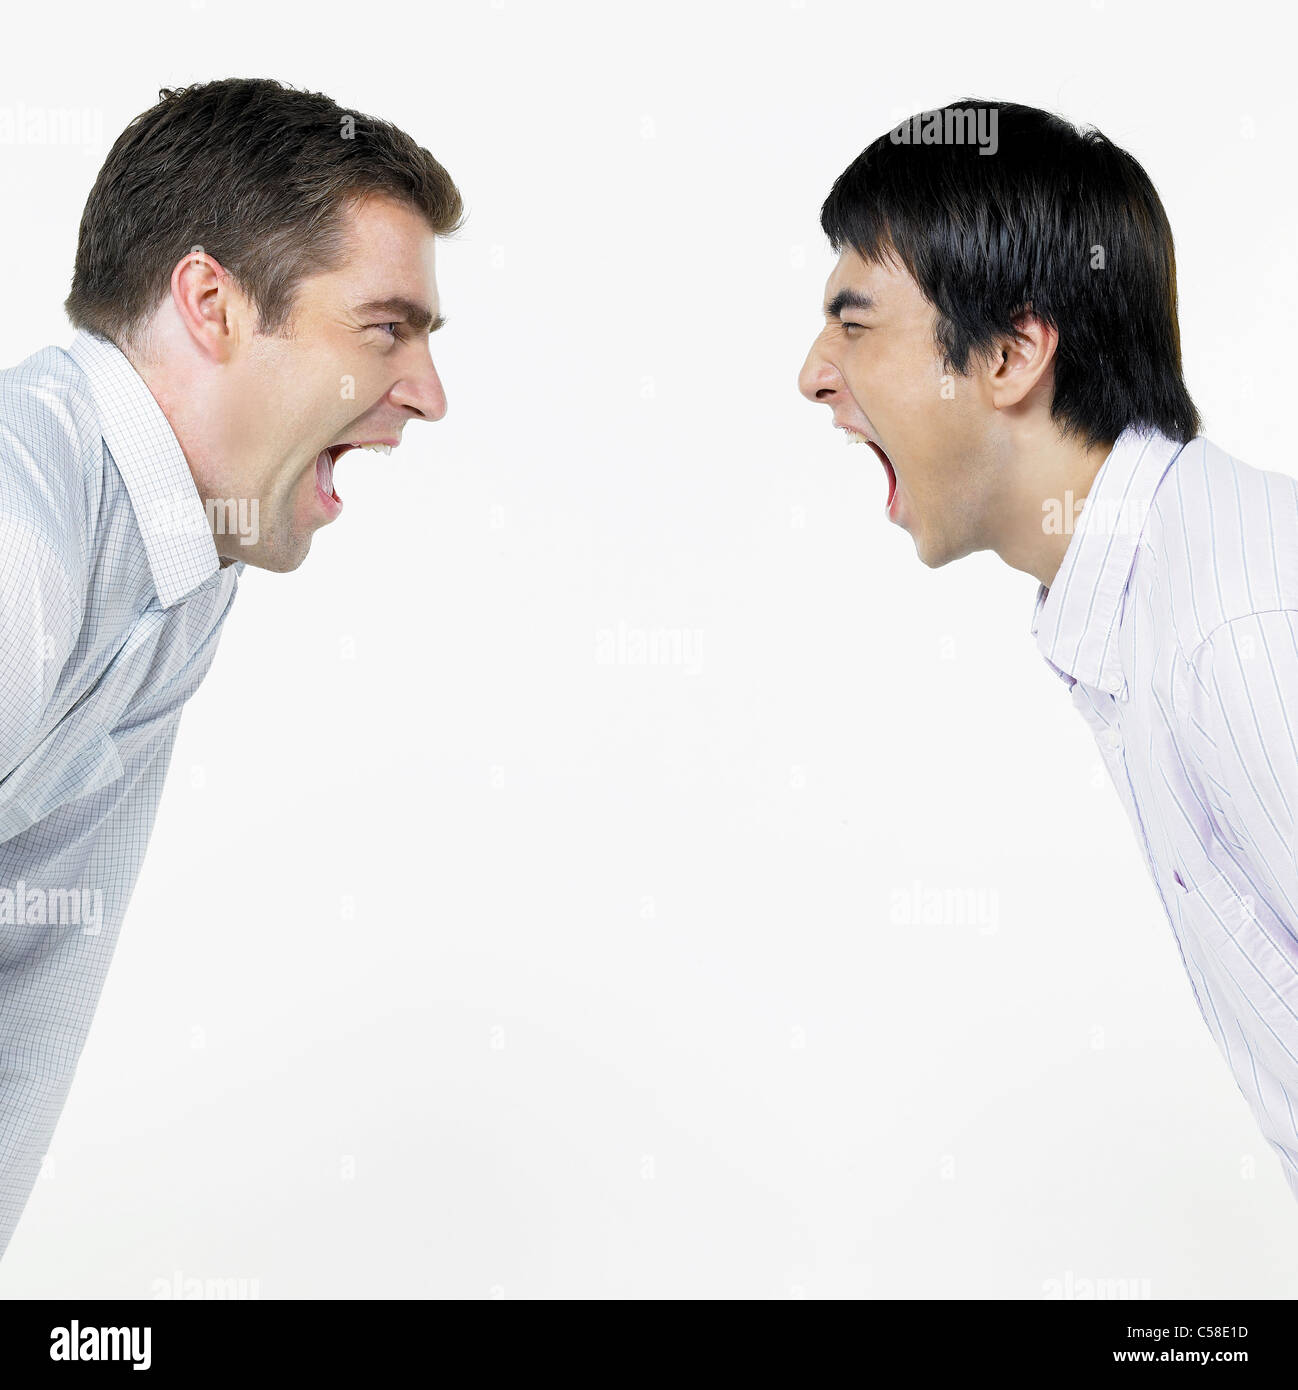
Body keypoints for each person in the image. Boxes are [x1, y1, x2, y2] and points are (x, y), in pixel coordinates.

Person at [799, 98, 1298, 1203]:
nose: (814, 374)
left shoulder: (1238, 629)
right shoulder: (1139, 607)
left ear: (1013, 352)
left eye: (854, 322)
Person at [0, 76, 460, 1256]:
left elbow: (35, 975)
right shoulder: (20, 527)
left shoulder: (192, 557)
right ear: (209, 301)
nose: (427, 394)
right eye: (383, 327)